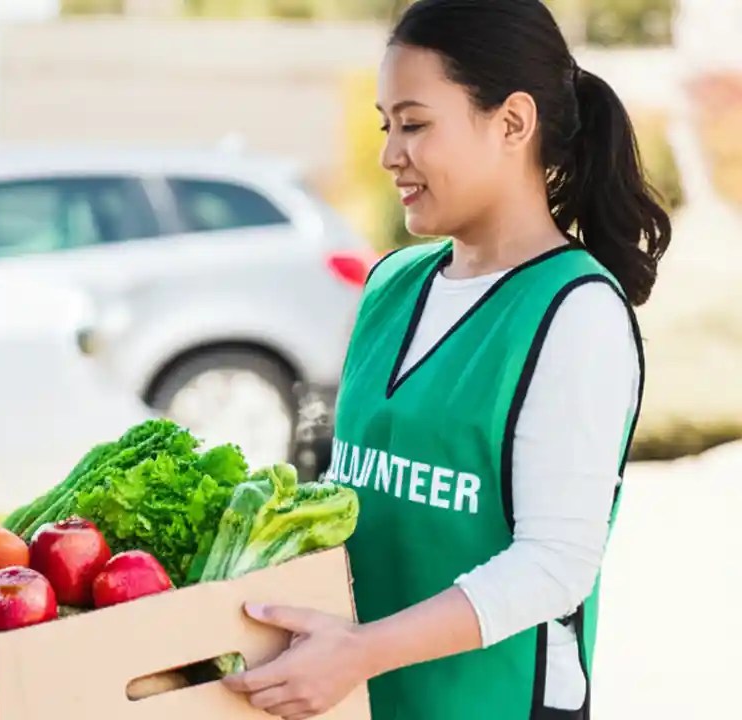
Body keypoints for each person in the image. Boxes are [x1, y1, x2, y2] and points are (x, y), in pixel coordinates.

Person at [222, 1, 672, 718]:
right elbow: (347, 496)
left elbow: (556, 564)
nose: (389, 153)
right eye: (385, 125)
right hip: (359, 701)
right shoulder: (390, 286)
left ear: (513, 123)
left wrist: (364, 650)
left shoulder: (573, 310)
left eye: (415, 123)